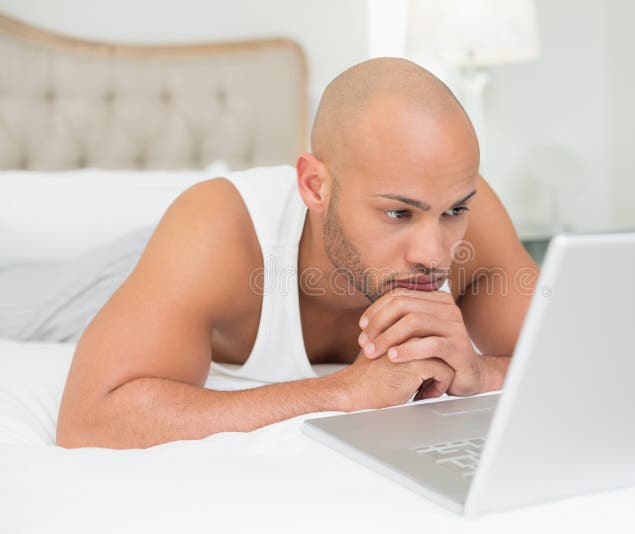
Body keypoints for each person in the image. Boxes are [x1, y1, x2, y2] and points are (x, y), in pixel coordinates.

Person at [56, 57, 539, 449]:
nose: (434, 255)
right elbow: (89, 419)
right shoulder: (218, 229)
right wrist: (345, 392)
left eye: (454, 211)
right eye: (398, 214)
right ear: (314, 186)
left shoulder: (471, 212)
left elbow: (586, 364)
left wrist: (478, 374)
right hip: (92, 280)